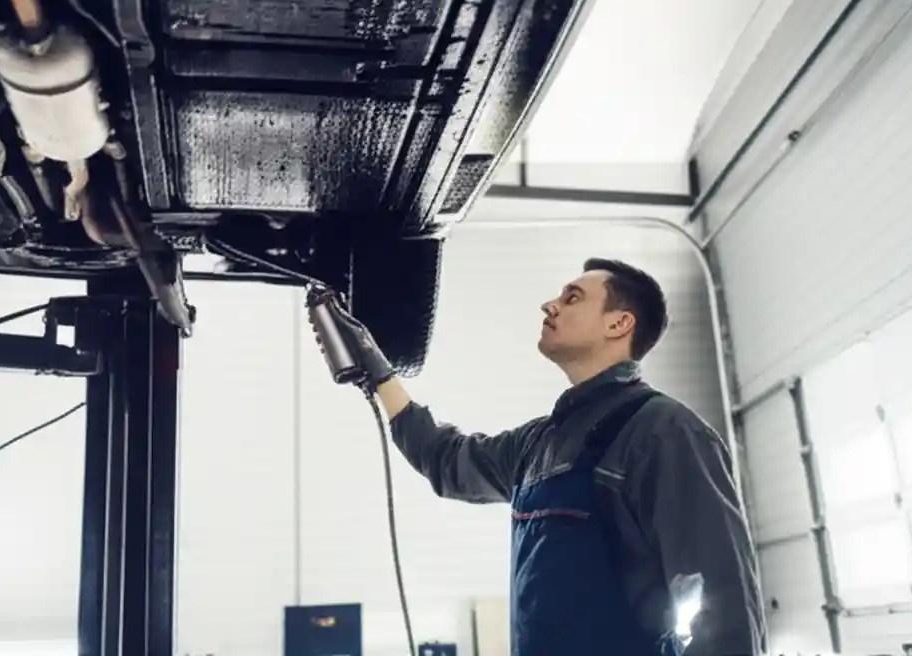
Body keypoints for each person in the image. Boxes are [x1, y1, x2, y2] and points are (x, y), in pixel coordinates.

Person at [321, 258, 766, 655]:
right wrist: (380, 374)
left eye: (572, 298)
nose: (548, 306)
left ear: (619, 324)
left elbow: (726, 607)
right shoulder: (538, 444)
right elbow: (445, 460)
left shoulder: (665, 432)